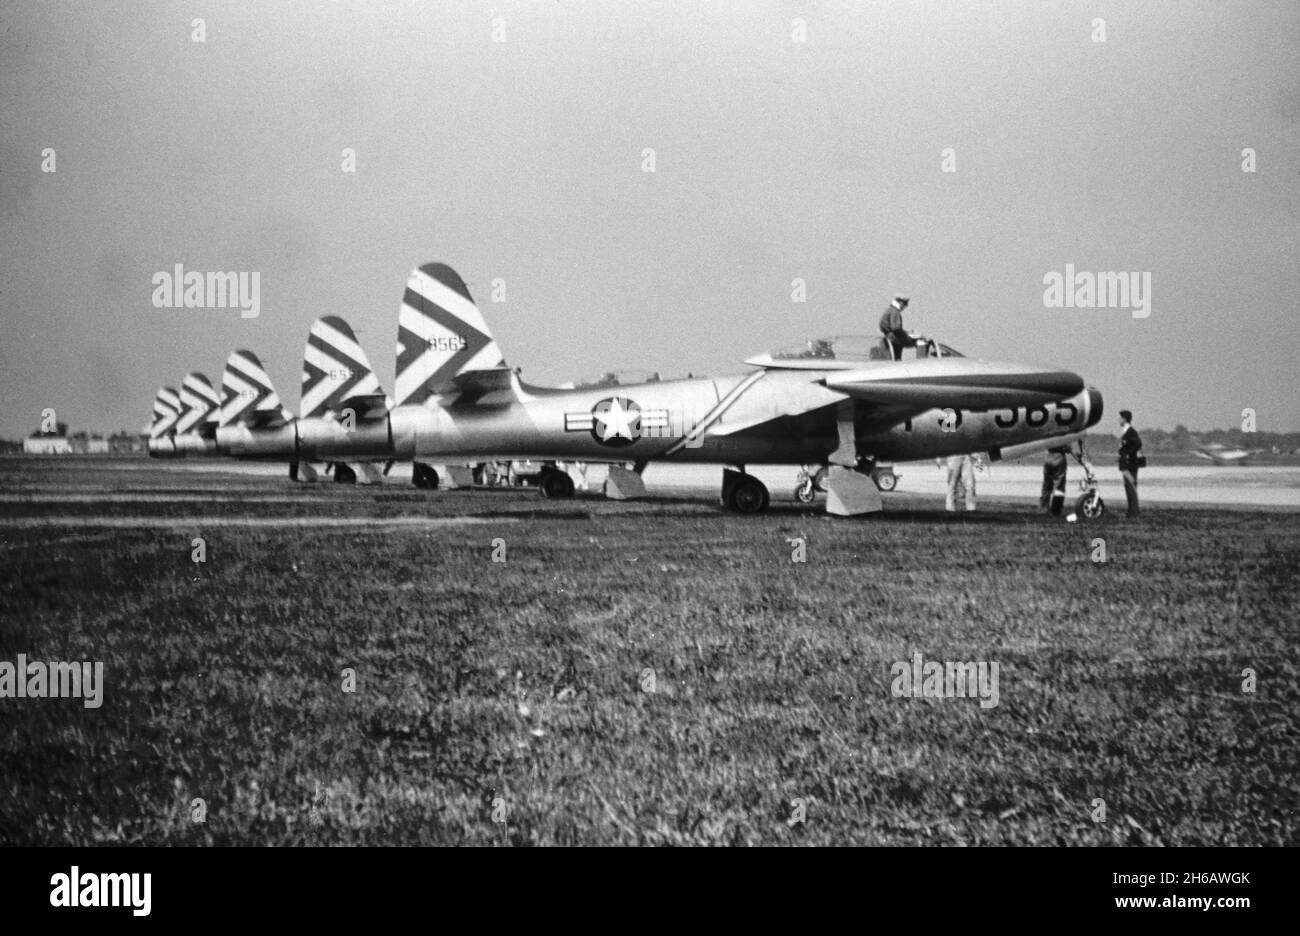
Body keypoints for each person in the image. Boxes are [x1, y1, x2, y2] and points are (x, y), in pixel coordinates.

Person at [1118, 410, 1143, 517]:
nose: (1119, 420)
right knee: (1128, 487)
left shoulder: (1131, 432)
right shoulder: (1126, 431)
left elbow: (1138, 443)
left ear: (1124, 419)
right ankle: (1131, 511)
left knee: (1131, 487)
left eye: (1120, 418)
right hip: (1125, 465)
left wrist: (1128, 453)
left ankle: (1134, 512)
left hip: (1130, 464)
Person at [878, 293, 915, 361]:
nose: (906, 306)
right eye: (905, 303)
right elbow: (896, 328)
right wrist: (907, 334)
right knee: (918, 341)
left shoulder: (889, 309)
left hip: (889, 337)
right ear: (900, 302)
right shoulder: (895, 311)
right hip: (893, 338)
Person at [1041, 445, 1069, 514]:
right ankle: (1056, 510)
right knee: (1059, 486)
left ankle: (1044, 508)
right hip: (1058, 458)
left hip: (1047, 459)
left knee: (1047, 485)